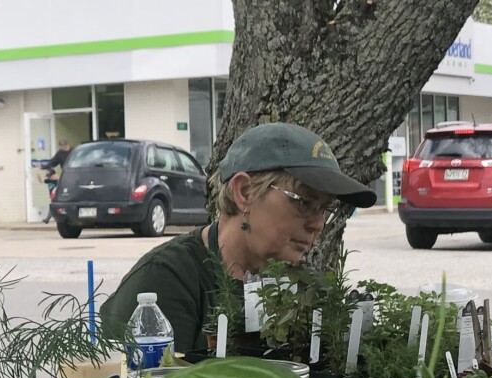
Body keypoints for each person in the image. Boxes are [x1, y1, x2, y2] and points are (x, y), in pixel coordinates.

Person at [98, 123, 374, 357]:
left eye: (326, 209)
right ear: (244, 192)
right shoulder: (165, 280)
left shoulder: (303, 287)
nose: (318, 224)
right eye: (305, 203)